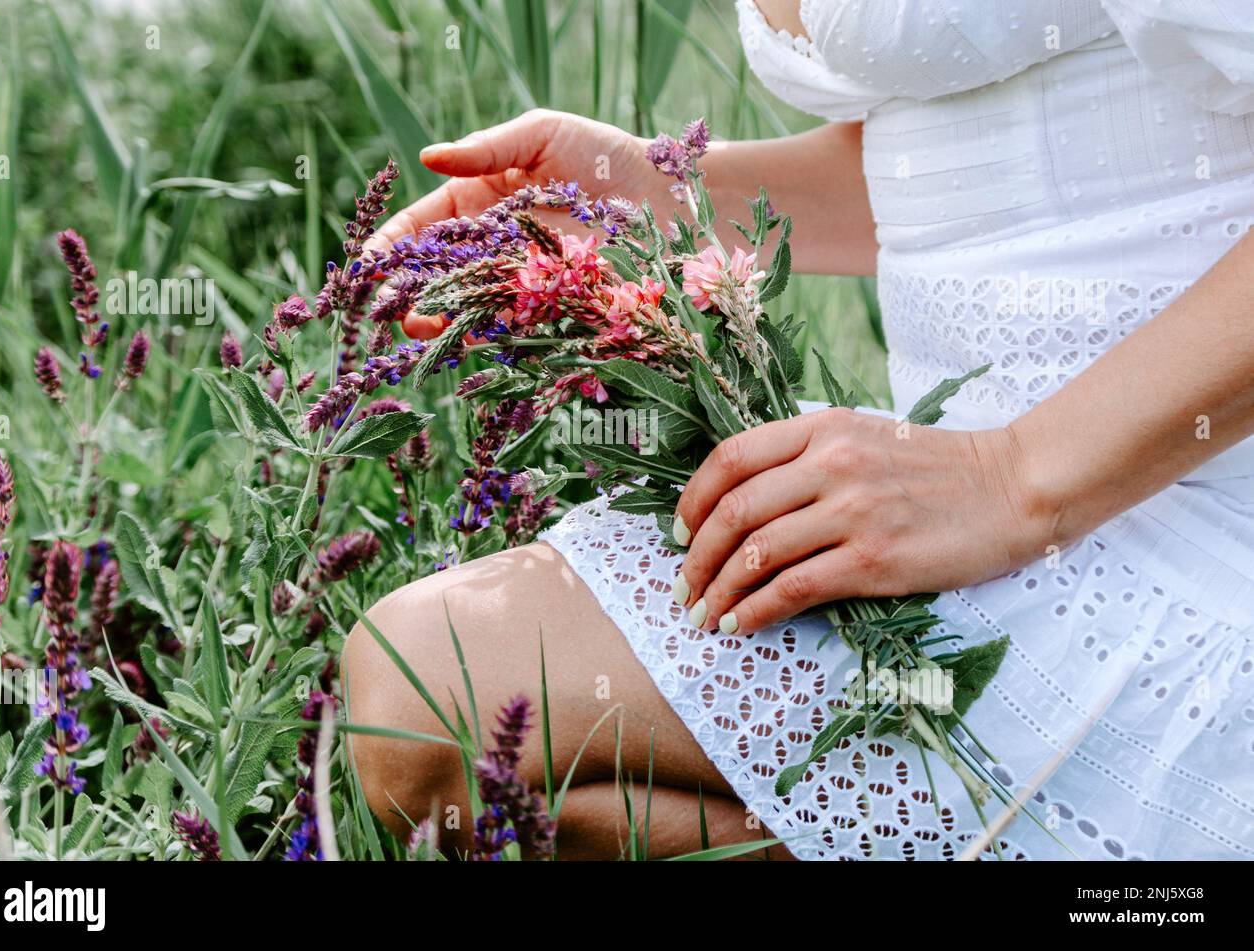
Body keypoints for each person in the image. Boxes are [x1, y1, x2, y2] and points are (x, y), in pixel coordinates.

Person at [342, 1, 1254, 859]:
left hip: (1166, 498)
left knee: (430, 692)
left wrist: (1011, 476)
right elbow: (998, 141)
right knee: (427, 729)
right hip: (949, 495)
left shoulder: (1012, 480)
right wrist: (664, 192)